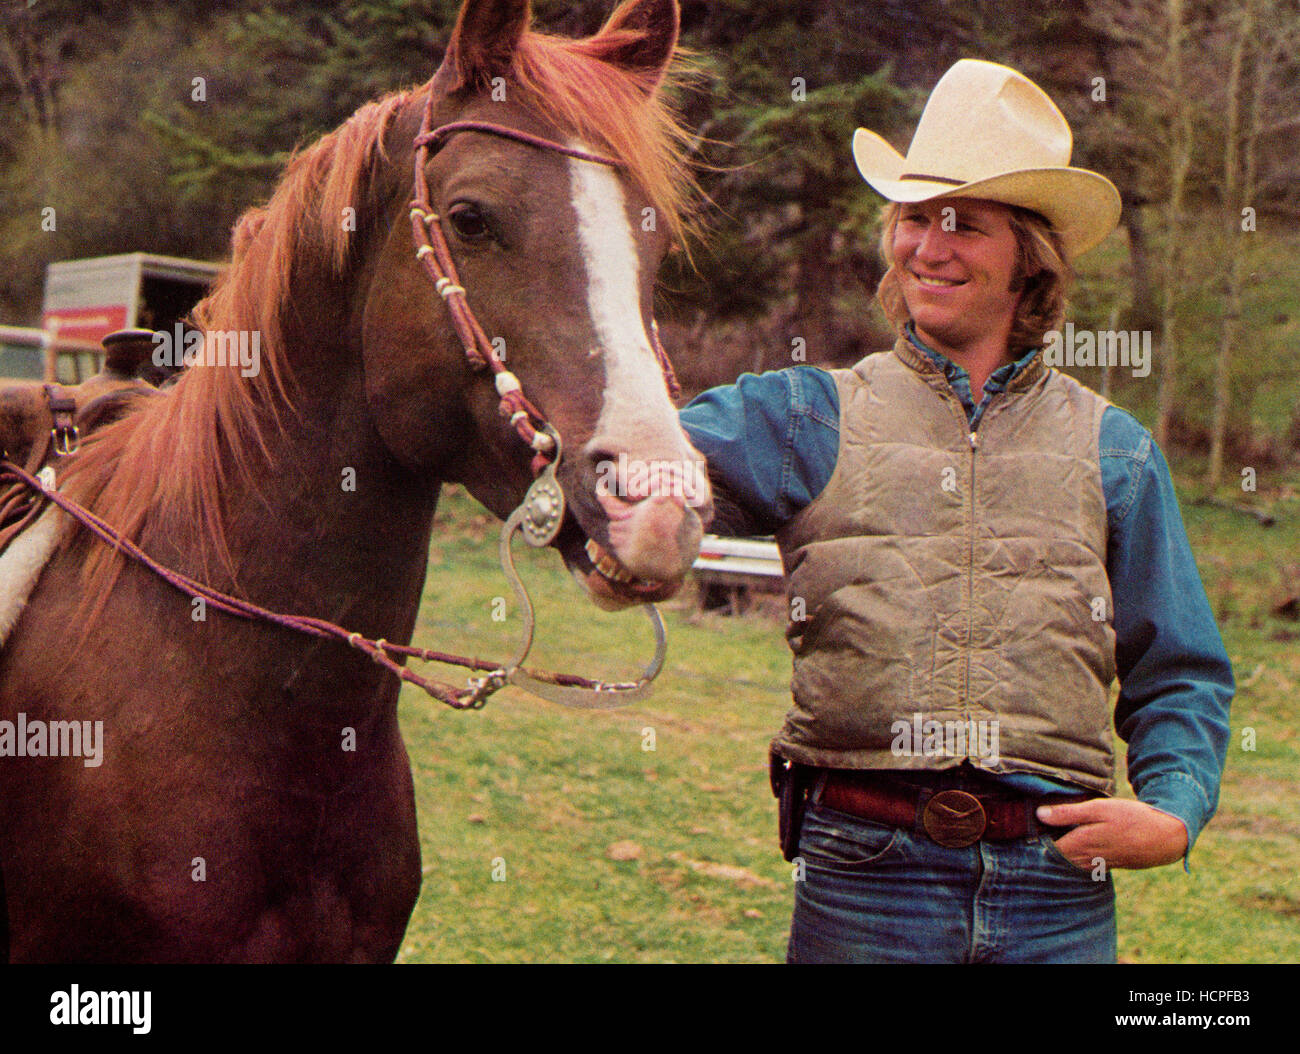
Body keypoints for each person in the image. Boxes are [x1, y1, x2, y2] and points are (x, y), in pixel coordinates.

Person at [679, 58, 1234, 964]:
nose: (927, 249)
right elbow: (615, 468)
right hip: (862, 877)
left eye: (964, 227)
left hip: (1059, 888)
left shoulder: (1117, 451)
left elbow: (1180, 671)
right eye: (912, 219)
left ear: (1031, 258)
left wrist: (1172, 813)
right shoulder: (800, 416)